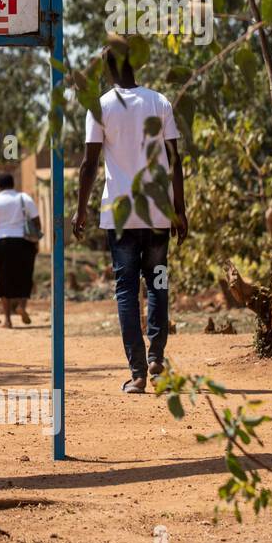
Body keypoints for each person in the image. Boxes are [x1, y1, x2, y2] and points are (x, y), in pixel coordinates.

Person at [73, 45, 188, 394]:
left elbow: (90, 163)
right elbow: (175, 161)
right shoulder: (159, 101)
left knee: (126, 290)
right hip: (157, 214)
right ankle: (157, 361)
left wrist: (81, 209)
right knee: (159, 282)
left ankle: (137, 373)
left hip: (120, 216)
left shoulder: (100, 107)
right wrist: (180, 210)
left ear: (107, 69)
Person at [0, 173, 41, 329]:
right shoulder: (24, 198)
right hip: (24, 242)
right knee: (25, 274)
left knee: (2, 278)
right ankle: (22, 306)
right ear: (13, 184)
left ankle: (7, 319)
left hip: (2, 242)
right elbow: (37, 223)